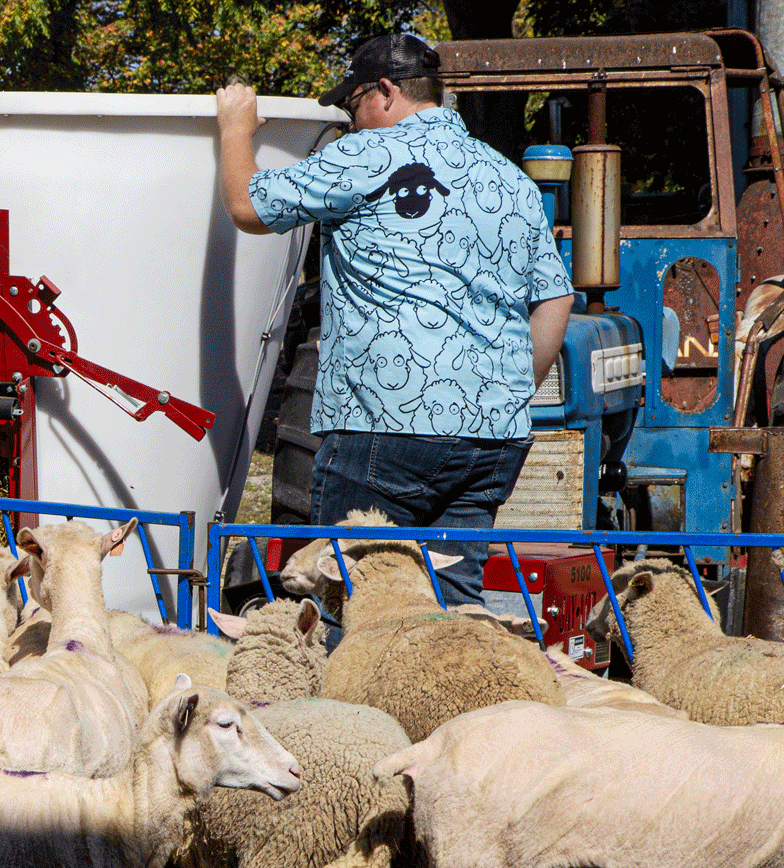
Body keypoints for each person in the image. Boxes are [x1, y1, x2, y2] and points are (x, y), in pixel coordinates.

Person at [215, 33, 575, 620]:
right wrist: (502, 396)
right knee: (453, 613)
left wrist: (236, 127)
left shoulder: (369, 155)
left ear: (384, 92)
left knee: (352, 607)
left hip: (382, 429)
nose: (351, 121)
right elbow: (554, 302)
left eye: (352, 105)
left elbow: (247, 207)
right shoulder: (508, 177)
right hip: (492, 438)